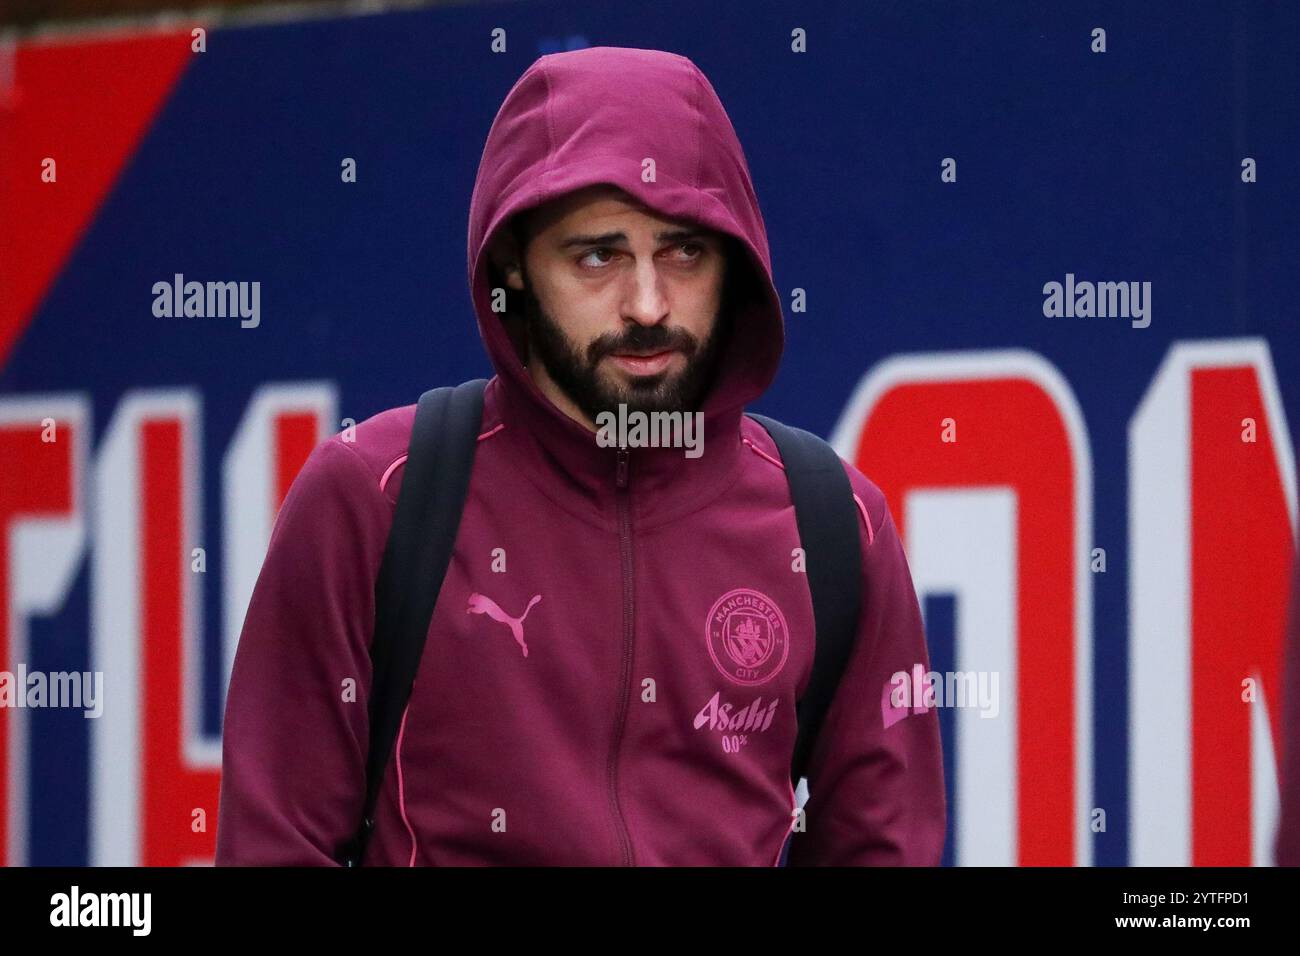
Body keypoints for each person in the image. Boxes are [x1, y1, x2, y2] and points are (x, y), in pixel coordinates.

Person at [215, 45, 945, 866]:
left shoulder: (833, 524)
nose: (646, 304)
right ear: (512, 268)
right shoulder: (374, 498)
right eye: (598, 255)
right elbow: (273, 848)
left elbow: (885, 848)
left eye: (684, 252)